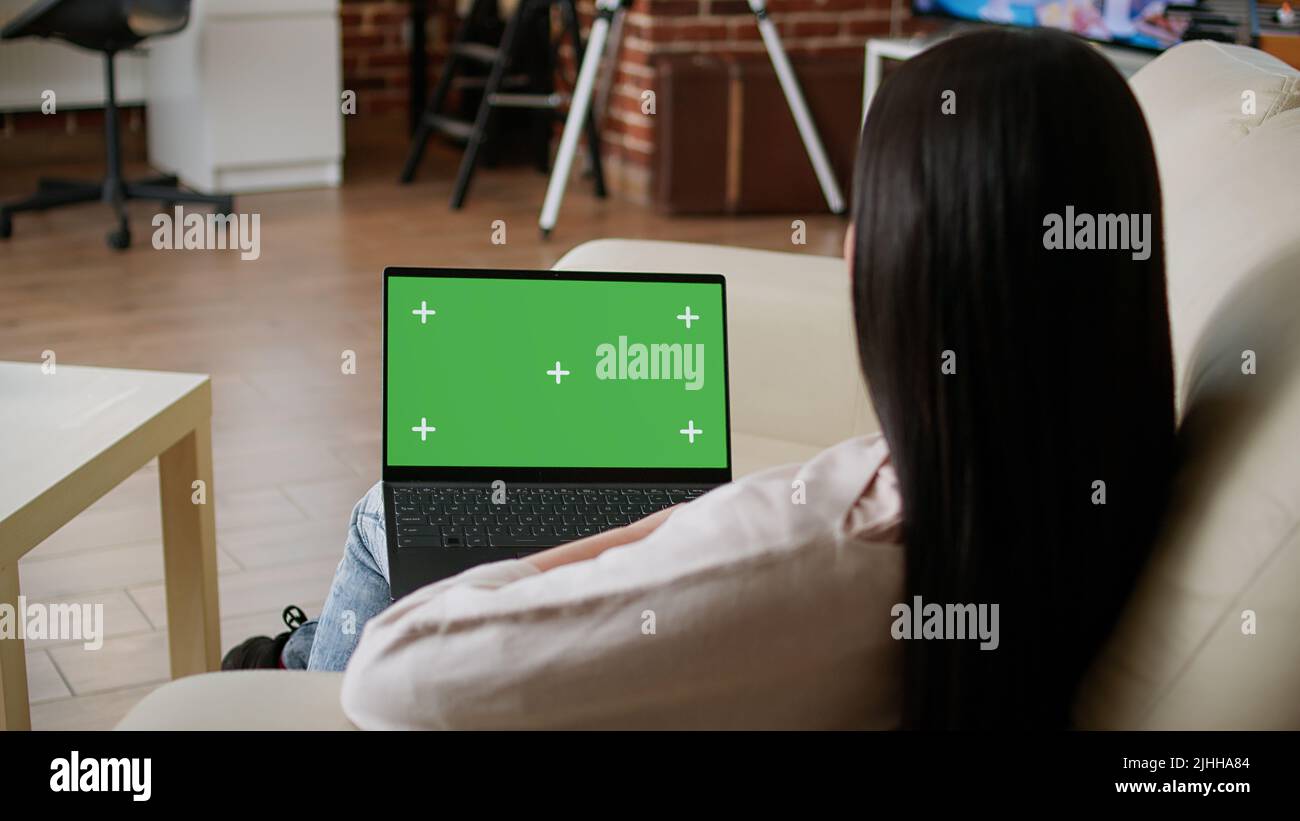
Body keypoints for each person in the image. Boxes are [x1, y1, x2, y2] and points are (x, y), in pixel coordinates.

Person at [224, 27, 1176, 730]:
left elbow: (395, 674)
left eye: (868, 211)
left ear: (901, 269)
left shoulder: (819, 545)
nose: (847, 244)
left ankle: (285, 673)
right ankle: (289, 654)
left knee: (391, 515)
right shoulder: (1097, 460)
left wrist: (644, 529)